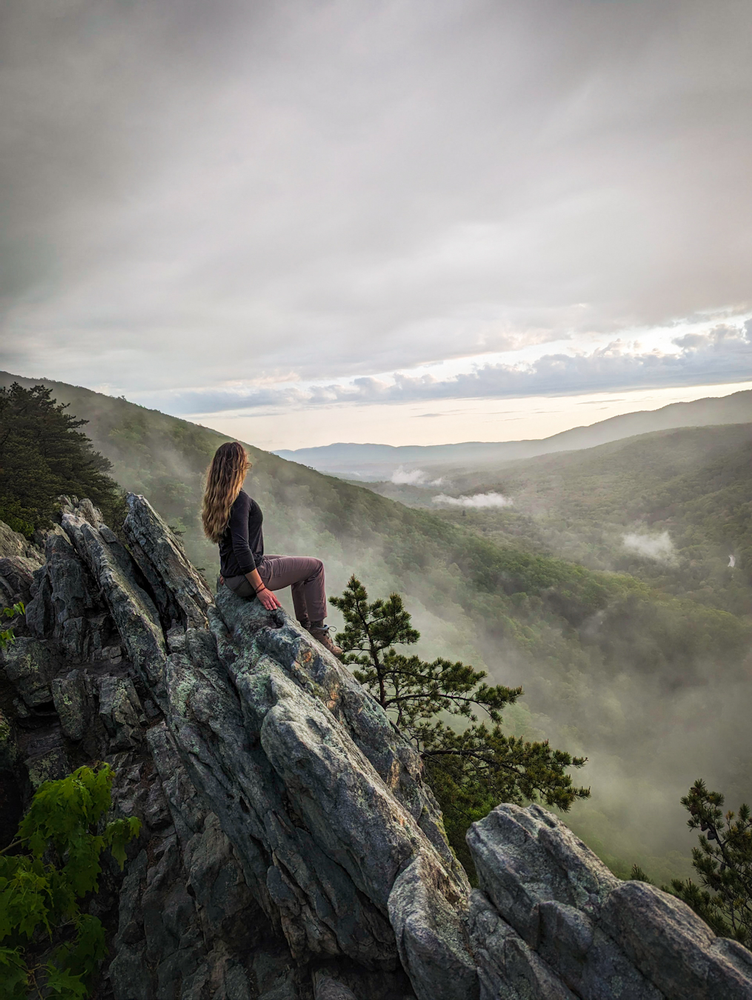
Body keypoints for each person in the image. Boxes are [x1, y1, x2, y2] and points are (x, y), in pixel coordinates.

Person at [202, 441, 342, 656]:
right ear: (239, 467)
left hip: (234, 575)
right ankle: (317, 631)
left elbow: (226, 540)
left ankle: (305, 625)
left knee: (298, 566)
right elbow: (240, 546)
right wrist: (260, 589)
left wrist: (226, 570)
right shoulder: (239, 499)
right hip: (248, 576)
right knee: (315, 567)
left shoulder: (220, 497)